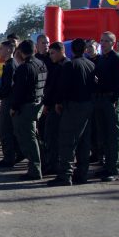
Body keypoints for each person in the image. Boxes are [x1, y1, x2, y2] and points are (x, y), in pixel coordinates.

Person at [49, 39, 96, 187]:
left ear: (72, 50)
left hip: (73, 106)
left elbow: (63, 87)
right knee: (84, 141)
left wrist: (58, 102)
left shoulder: (70, 65)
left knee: (67, 141)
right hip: (88, 105)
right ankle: (82, 173)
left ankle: (65, 175)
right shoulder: (91, 64)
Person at [92, 31, 119, 182]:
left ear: (113, 43)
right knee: (104, 135)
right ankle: (107, 166)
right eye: (101, 40)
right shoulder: (102, 59)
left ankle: (115, 169)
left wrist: (114, 99)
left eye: (106, 41)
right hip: (101, 98)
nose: (103, 43)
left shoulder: (116, 58)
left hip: (112, 99)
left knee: (114, 135)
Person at [9, 40, 46, 181]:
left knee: (27, 139)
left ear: (20, 52)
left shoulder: (24, 68)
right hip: (38, 104)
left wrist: (14, 108)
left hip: (26, 107)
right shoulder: (41, 64)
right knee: (34, 137)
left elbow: (19, 91)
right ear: (35, 49)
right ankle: (41, 165)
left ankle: (35, 169)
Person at [41, 41, 66, 174]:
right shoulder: (57, 66)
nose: (50, 56)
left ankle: (54, 164)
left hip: (56, 106)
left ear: (61, 51)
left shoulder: (62, 67)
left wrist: (50, 103)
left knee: (52, 136)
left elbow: (57, 89)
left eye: (52, 53)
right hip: (55, 105)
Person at [0, 40, 19, 168]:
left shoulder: (10, 65)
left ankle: (9, 158)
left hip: (8, 101)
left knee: (5, 129)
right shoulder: (11, 64)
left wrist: (0, 94)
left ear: (9, 50)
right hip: (9, 99)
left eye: (1, 48)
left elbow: (9, 86)